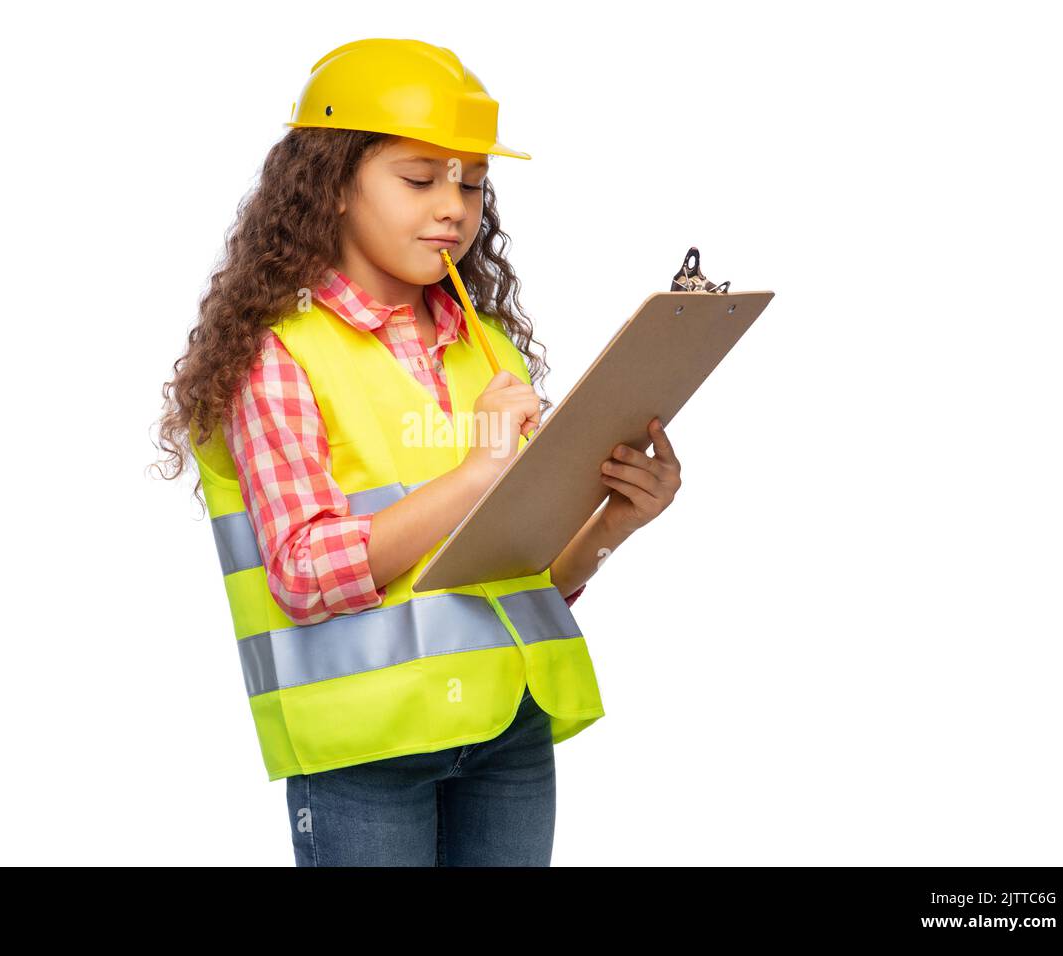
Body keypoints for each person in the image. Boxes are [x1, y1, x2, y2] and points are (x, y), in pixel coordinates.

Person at [154, 38, 682, 866]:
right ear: (330, 186)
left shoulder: (489, 351)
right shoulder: (279, 359)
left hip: (508, 733)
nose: (454, 207)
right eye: (420, 177)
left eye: (472, 182)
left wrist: (617, 519)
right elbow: (301, 572)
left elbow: (521, 581)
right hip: (369, 758)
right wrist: (477, 476)